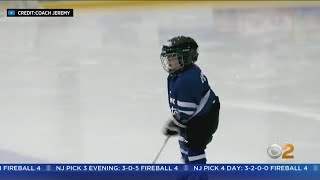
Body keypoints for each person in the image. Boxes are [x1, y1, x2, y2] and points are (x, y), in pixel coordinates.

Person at [161, 36, 220, 164]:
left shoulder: (187, 80)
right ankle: (189, 168)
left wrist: (176, 123)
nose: (169, 61)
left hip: (204, 119)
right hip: (200, 114)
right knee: (184, 140)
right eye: (168, 57)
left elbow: (187, 112)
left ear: (186, 57)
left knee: (193, 145)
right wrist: (177, 122)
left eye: (173, 57)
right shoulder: (179, 75)